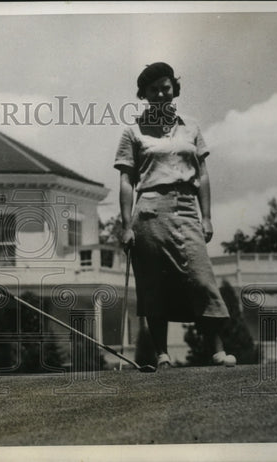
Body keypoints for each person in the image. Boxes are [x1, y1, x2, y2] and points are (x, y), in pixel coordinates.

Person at [114, 62, 236, 369]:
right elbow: (126, 181)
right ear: (143, 94)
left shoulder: (191, 127)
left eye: (165, 87)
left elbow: (203, 175)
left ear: (174, 89)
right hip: (150, 210)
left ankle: (217, 350)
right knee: (154, 283)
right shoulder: (132, 131)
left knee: (201, 279)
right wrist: (126, 225)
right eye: (153, 89)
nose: (160, 93)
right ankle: (162, 354)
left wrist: (206, 217)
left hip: (186, 206)